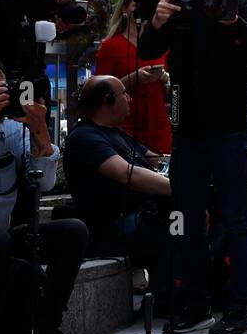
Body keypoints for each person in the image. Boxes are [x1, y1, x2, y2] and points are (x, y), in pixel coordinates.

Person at [139, 0, 247, 334]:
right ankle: (194, 303)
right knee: (184, 218)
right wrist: (156, 21)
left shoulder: (239, 3)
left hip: (230, 126)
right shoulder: (180, 2)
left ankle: (239, 310)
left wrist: (233, 23)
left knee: (237, 219)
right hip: (187, 128)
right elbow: (147, 50)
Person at [0, 55, 91, 334]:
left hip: (5, 235)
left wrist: (40, 130)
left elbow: (43, 184)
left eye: (1, 89)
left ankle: (46, 330)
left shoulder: (13, 129)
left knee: (73, 231)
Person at [63, 76, 172, 298]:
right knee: (177, 221)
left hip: (139, 217)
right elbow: (126, 173)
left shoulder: (116, 133)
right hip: (115, 228)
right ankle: (167, 295)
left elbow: (157, 159)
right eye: (124, 93)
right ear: (108, 100)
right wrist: (178, 186)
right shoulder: (84, 137)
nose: (129, 98)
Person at [94, 0, 171, 156]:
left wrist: (165, 79)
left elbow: (172, 91)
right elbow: (98, 90)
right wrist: (132, 79)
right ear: (124, 9)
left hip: (158, 123)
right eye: (136, 5)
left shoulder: (162, 45)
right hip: (125, 124)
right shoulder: (110, 46)